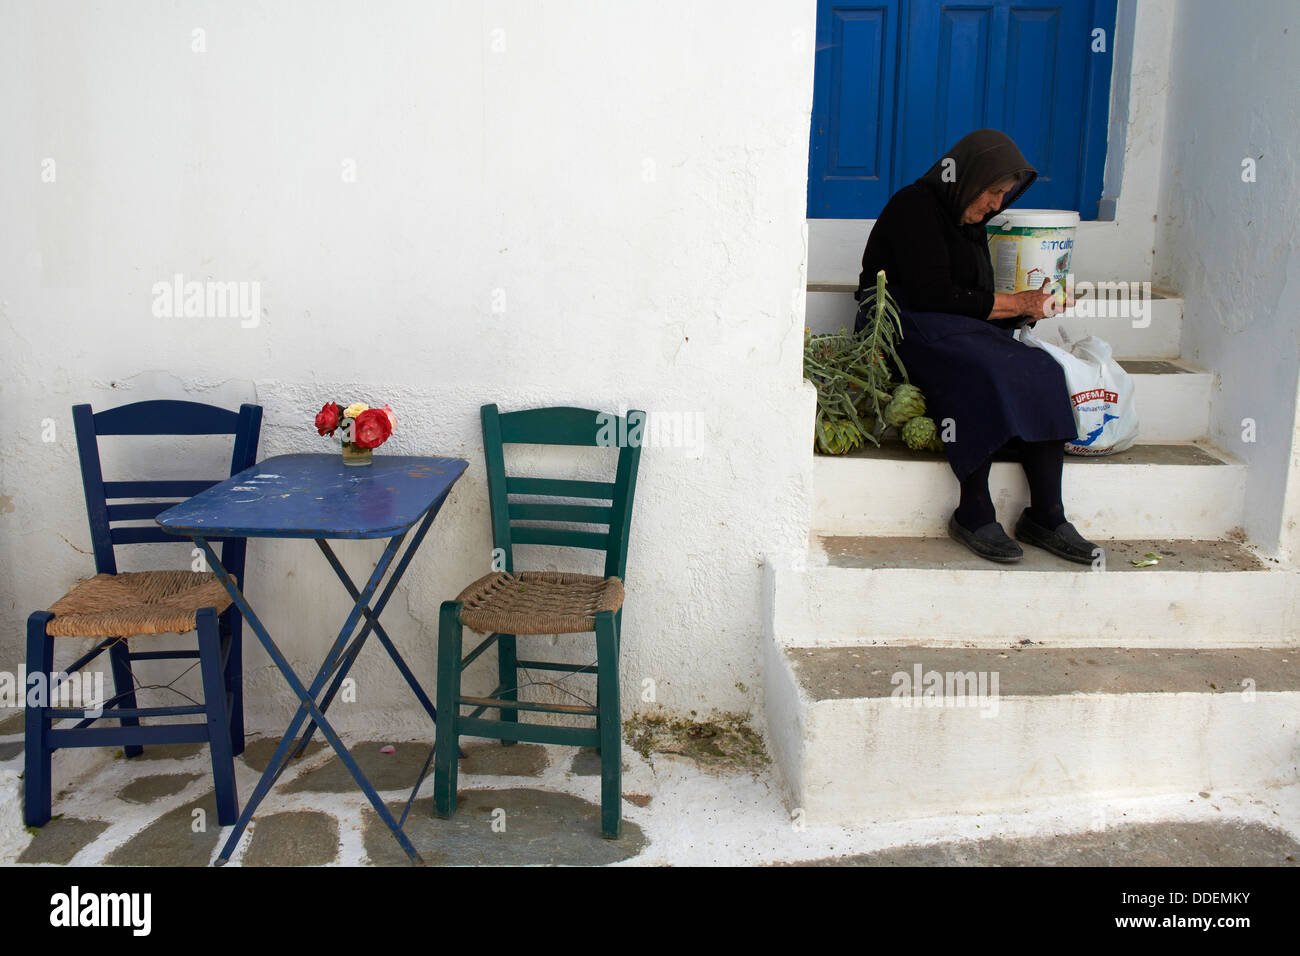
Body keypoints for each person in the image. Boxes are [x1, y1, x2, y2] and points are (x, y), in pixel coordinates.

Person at [854, 128, 1099, 564]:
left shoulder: (969, 224)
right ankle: (973, 509)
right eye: (992, 192)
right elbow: (932, 295)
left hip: (954, 329)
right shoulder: (914, 207)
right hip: (897, 325)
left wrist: (1028, 310)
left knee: (1039, 368)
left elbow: (973, 301)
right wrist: (1013, 303)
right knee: (980, 367)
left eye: (1004, 195)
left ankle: (1046, 513)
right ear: (965, 178)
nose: (996, 205)